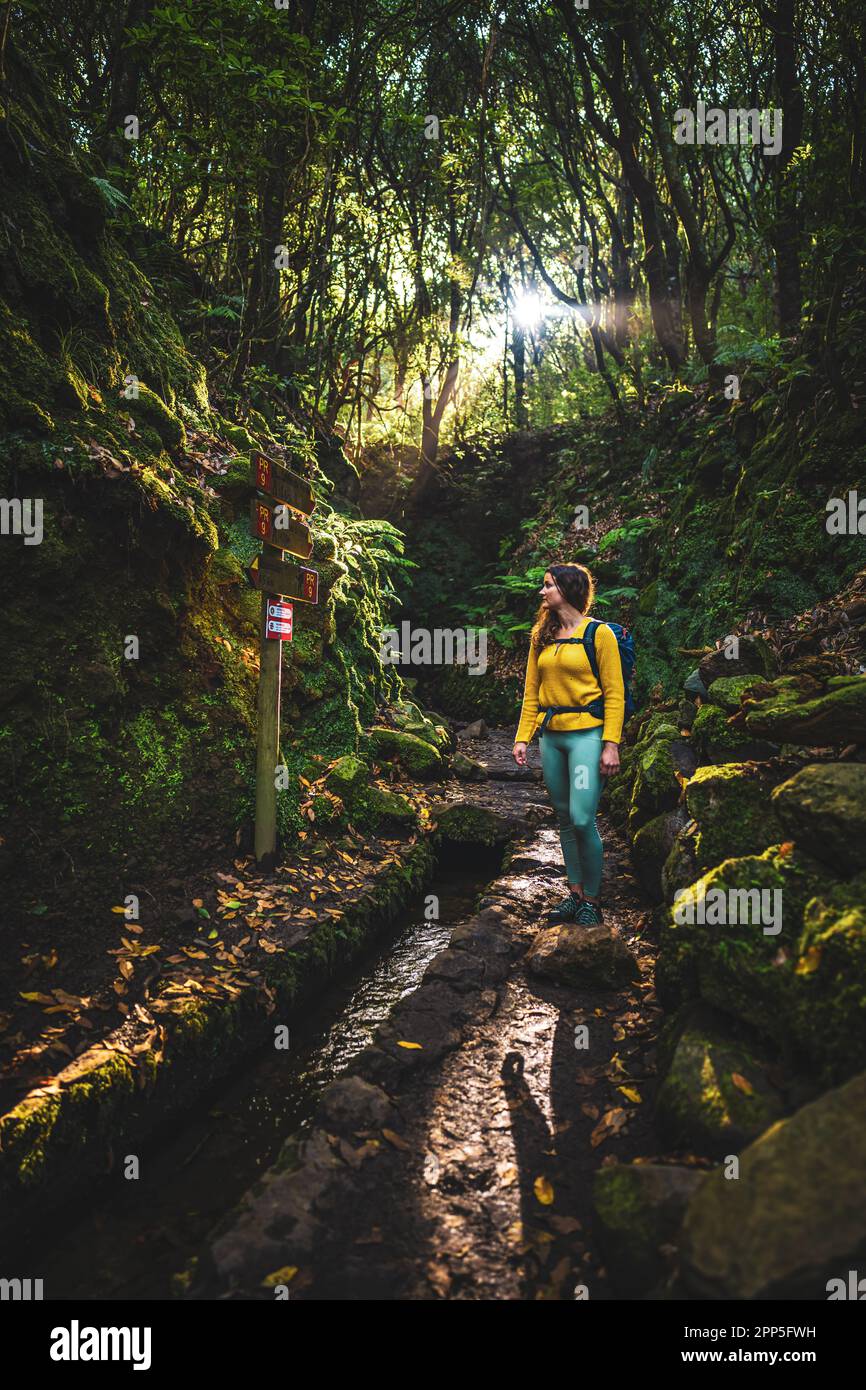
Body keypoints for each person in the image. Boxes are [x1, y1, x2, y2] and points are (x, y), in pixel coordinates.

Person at [512, 562, 624, 925]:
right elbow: (531, 691)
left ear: (568, 589)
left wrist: (611, 744)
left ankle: (592, 900)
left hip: (587, 737)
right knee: (563, 817)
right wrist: (522, 737)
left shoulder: (600, 634)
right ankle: (574, 894)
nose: (542, 592)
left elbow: (615, 694)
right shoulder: (540, 636)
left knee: (581, 817)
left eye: (548, 586)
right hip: (552, 737)